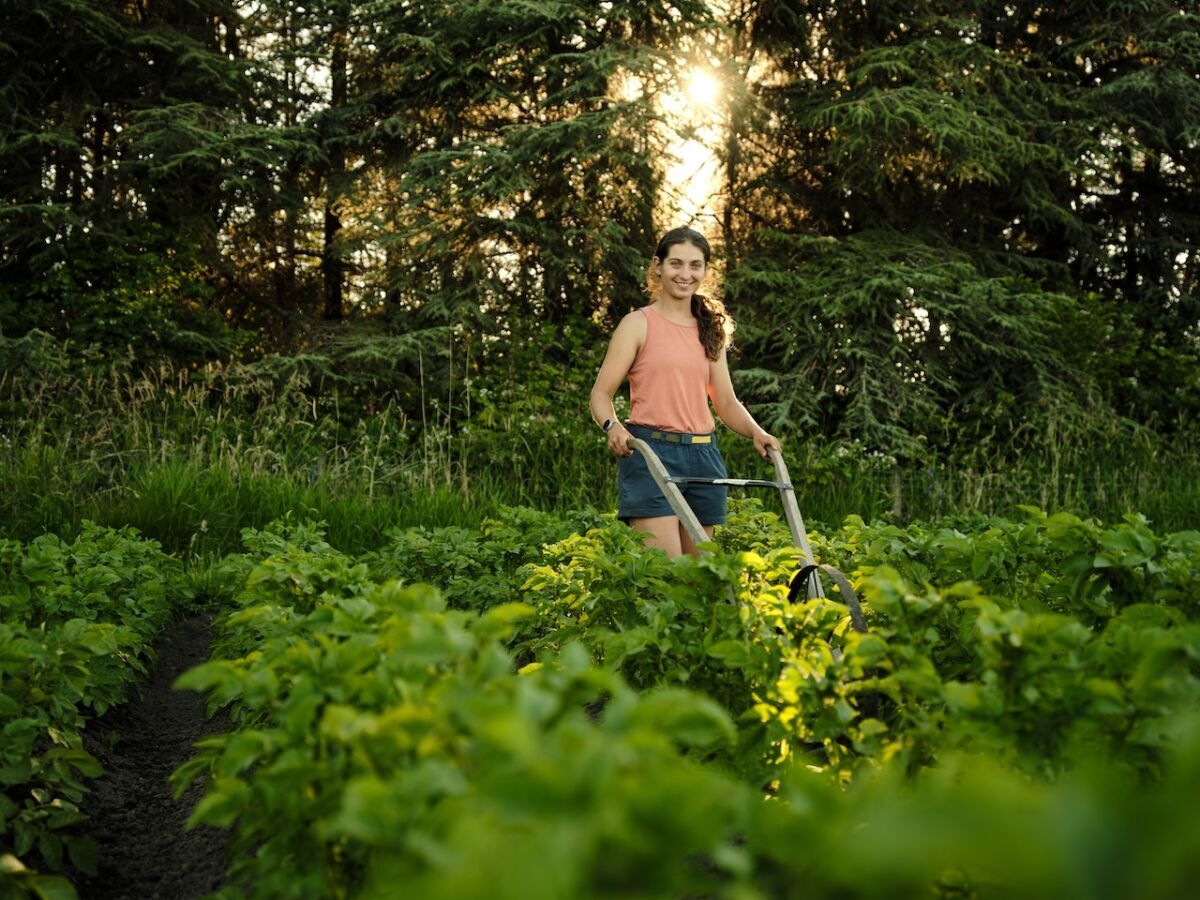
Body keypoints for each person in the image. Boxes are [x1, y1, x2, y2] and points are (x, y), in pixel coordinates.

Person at [589, 227, 780, 558]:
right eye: (676, 263)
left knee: (700, 572)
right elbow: (600, 395)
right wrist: (613, 426)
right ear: (658, 266)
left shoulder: (711, 329)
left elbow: (725, 401)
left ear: (705, 270)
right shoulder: (637, 324)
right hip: (653, 454)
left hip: (704, 457)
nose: (685, 274)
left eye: (695, 265)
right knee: (667, 570)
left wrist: (756, 432)